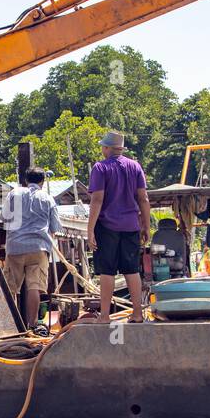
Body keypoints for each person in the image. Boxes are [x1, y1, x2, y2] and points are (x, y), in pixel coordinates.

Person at [87, 130, 151, 321]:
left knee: (107, 270)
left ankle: (105, 315)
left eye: (102, 147)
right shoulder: (135, 166)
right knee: (132, 270)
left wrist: (90, 230)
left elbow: (97, 199)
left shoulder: (100, 168)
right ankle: (137, 313)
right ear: (121, 149)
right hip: (131, 226)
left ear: (107, 148)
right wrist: (146, 226)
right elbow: (143, 198)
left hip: (107, 226)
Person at [2, 167, 63, 329]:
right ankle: (33, 324)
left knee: (9, 288)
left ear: (26, 180)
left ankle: (8, 326)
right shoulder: (48, 199)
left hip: (15, 247)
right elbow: (55, 227)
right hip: (39, 247)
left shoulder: (13, 194)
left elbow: (4, 219)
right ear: (42, 181)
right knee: (34, 287)